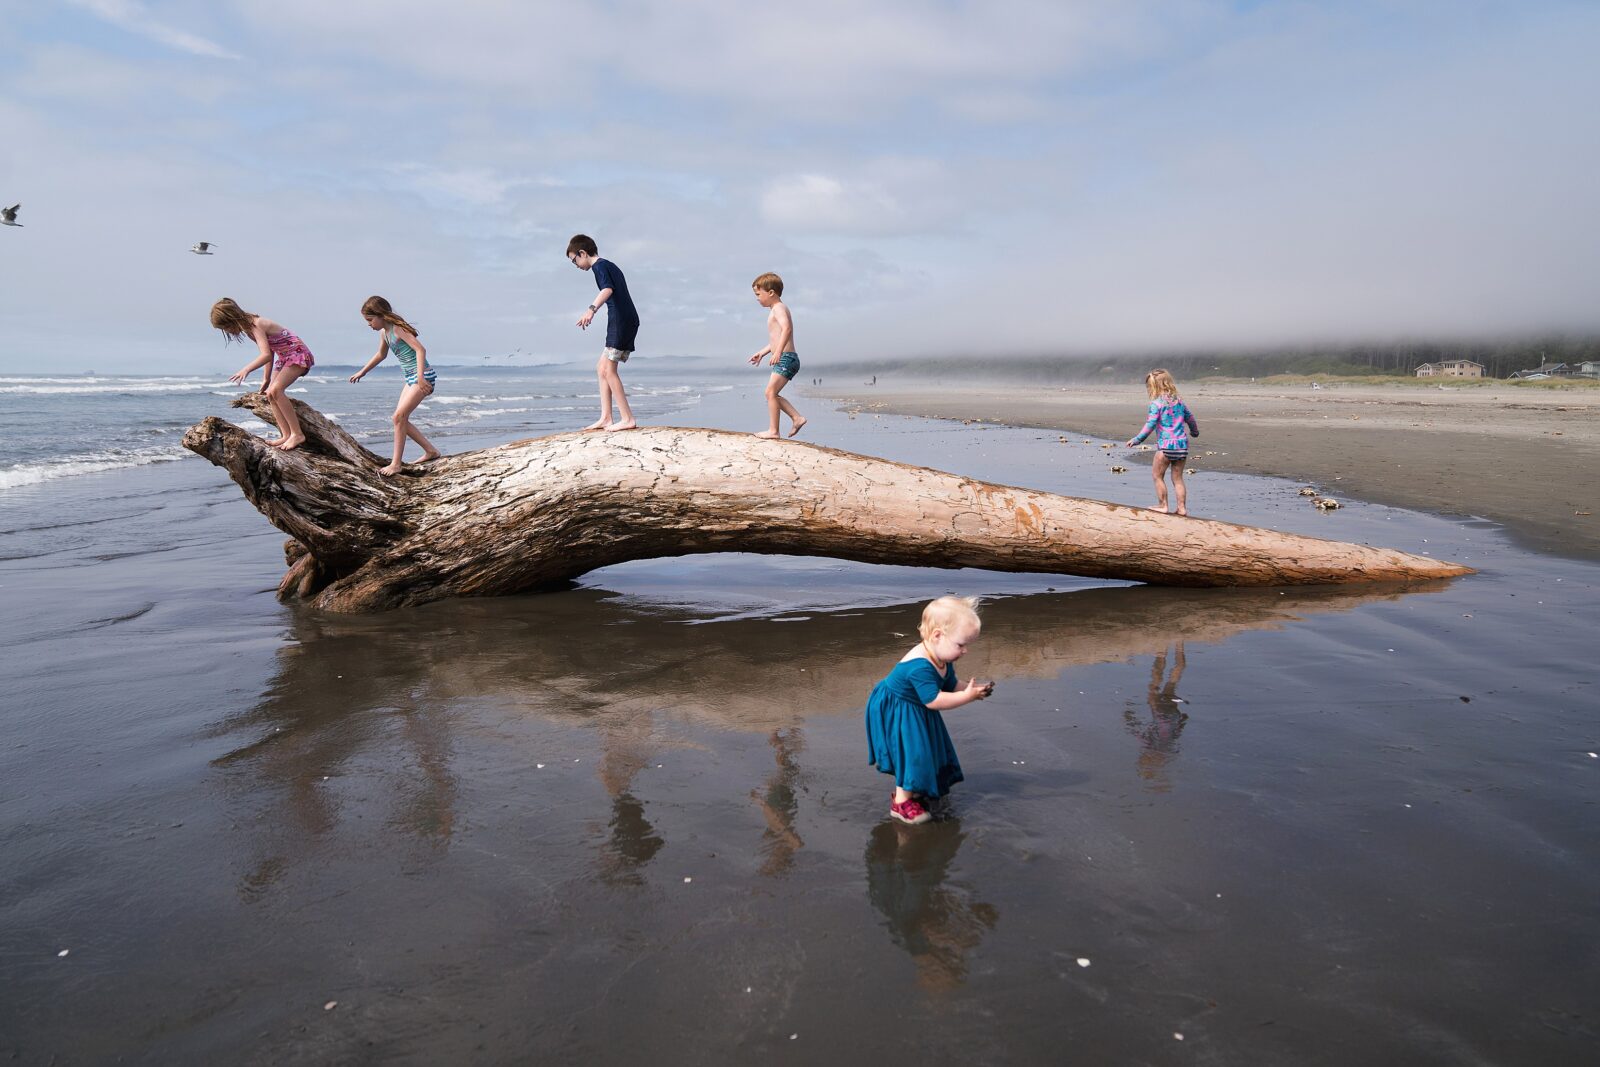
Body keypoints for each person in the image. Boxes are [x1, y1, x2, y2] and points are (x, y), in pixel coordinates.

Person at [865, 596, 995, 825]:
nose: (965, 651)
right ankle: (900, 803)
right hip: (897, 709)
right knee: (911, 754)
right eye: (960, 645)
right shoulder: (920, 666)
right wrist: (967, 697)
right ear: (937, 635)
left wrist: (971, 689)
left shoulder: (941, 657)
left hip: (915, 707)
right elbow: (934, 700)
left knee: (924, 750)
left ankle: (915, 788)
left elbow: (950, 684)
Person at [348, 296, 441, 475]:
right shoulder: (385, 333)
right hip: (411, 378)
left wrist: (421, 377)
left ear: (380, 315)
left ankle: (396, 464)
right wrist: (362, 371)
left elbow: (420, 350)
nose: (369, 324)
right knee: (398, 418)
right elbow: (380, 355)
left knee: (399, 417)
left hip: (422, 376)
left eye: (370, 320)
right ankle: (431, 451)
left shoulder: (398, 329)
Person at [211, 297, 313, 451]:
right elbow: (270, 353)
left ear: (232, 319)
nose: (227, 331)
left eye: (226, 327)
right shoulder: (249, 329)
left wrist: (246, 369)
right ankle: (286, 434)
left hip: (297, 354)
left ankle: (297, 434)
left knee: (276, 390)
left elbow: (264, 355)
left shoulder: (256, 325)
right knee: (270, 394)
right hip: (284, 357)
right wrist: (266, 378)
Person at [567, 234, 641, 432]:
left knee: (609, 370)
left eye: (574, 260)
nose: (576, 265)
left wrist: (591, 310)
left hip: (621, 322)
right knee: (601, 368)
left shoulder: (599, 267)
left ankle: (627, 418)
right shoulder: (608, 265)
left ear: (583, 253)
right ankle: (606, 417)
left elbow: (607, 289)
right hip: (622, 321)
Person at [1126, 368, 1200, 516]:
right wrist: (1194, 432)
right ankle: (1182, 508)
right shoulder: (1179, 401)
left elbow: (1150, 424)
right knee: (1178, 479)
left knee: (1157, 476)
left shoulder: (1156, 404)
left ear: (1154, 387)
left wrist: (1137, 439)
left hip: (1166, 446)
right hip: (1182, 446)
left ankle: (1163, 505)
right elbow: (1190, 418)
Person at [746, 272, 806, 438]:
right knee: (771, 394)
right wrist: (762, 352)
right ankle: (797, 418)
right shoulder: (775, 309)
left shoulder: (779, 308)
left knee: (770, 392)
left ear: (771, 292)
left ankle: (774, 431)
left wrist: (778, 352)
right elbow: (776, 339)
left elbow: (787, 329)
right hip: (786, 357)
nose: (757, 298)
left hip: (786, 358)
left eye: (758, 294)